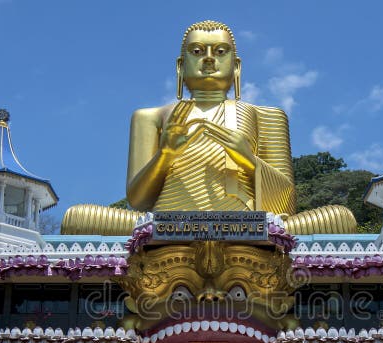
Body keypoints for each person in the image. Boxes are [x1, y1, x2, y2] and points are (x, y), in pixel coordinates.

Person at [61, 20, 357, 236]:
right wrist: (164, 154)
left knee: (340, 218)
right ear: (180, 66)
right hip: (167, 224)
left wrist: (249, 161)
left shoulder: (265, 115)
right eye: (197, 51)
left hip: (247, 225)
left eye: (220, 51)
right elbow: (138, 201)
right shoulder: (150, 117)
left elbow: (286, 205)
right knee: (77, 218)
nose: (209, 59)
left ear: (236, 66)